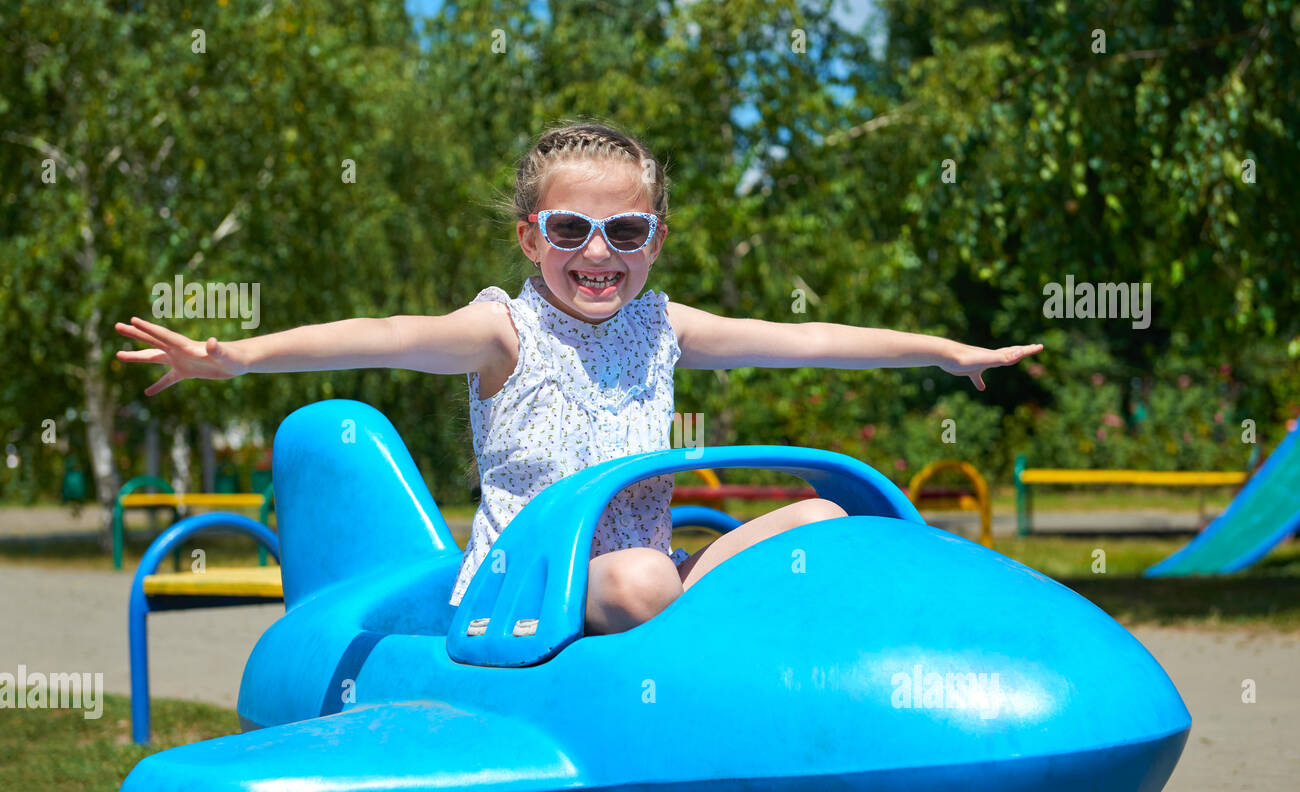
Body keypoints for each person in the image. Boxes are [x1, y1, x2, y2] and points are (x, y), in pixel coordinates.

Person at [117, 122, 1042, 636]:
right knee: (644, 577)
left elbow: (808, 338)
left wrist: (942, 350)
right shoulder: (502, 329)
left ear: (654, 243)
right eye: (569, 231)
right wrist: (238, 355)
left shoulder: (662, 324)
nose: (597, 254)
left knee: (824, 518)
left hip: (650, 573)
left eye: (626, 234)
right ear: (531, 239)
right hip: (525, 585)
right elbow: (386, 334)